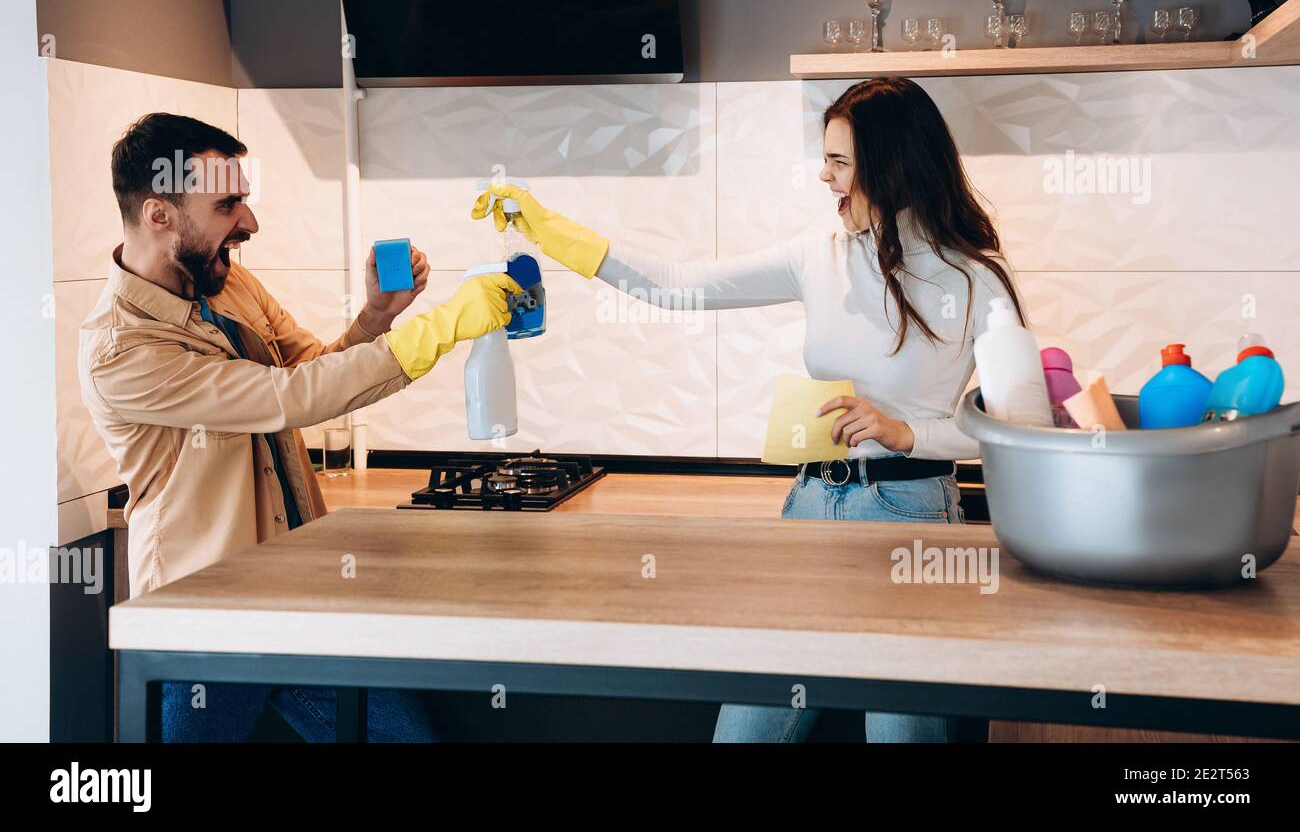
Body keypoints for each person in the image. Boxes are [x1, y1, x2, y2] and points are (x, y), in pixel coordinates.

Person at [470, 76, 1031, 742]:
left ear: (894, 165)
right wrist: (551, 231)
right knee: (742, 736)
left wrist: (908, 432)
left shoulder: (976, 278)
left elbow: (1025, 431)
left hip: (910, 523)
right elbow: (676, 286)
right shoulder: (816, 257)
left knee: (899, 737)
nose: (823, 176)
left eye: (840, 161)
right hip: (810, 509)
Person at [80, 113, 517, 741]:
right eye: (228, 203)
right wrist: (444, 328)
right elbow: (286, 397)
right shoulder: (120, 352)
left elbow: (308, 370)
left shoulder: (225, 281)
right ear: (159, 214)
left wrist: (375, 317)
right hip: (209, 624)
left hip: (300, 592)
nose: (250, 223)